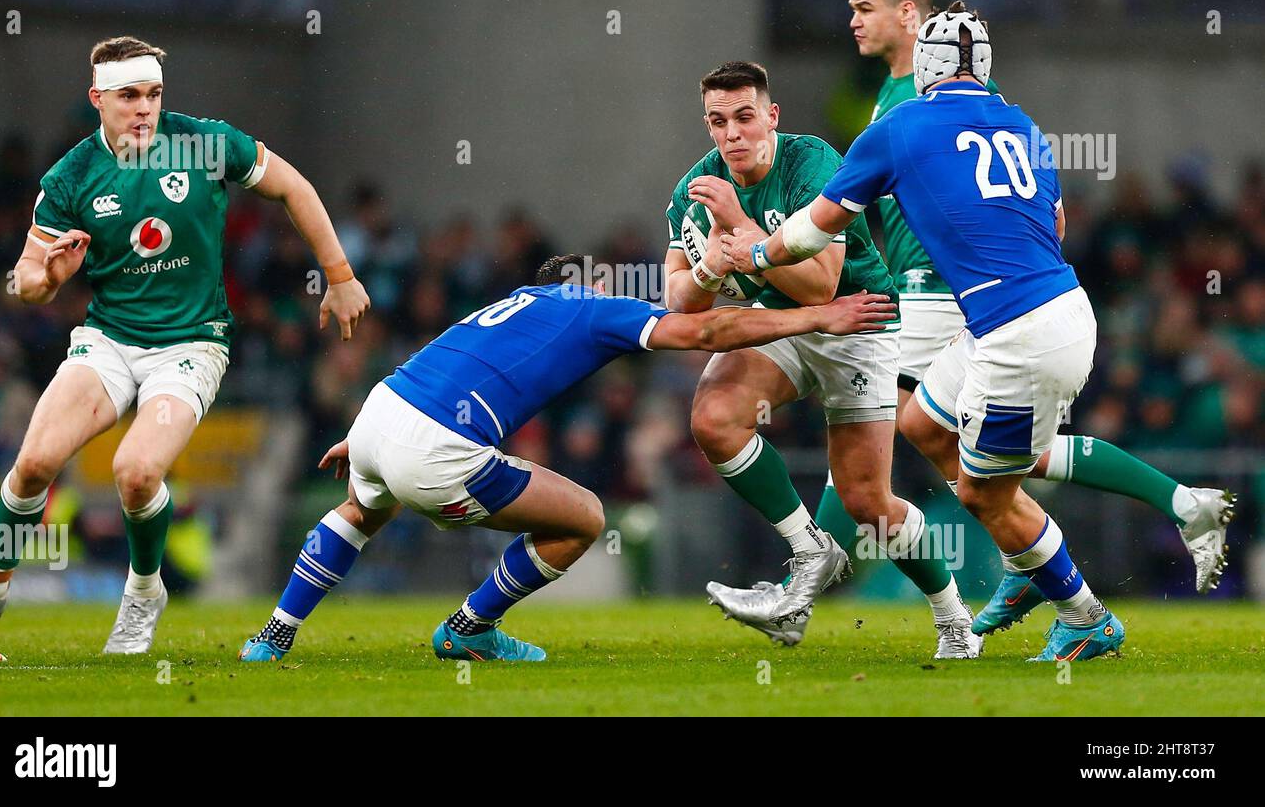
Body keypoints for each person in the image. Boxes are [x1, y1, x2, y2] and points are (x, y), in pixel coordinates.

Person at [709, 0, 1233, 646]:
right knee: (931, 434)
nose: (853, 21)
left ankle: (1079, 612)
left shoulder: (903, 120)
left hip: (969, 312)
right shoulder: (1017, 122)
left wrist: (750, 251)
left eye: (865, 8)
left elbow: (815, 226)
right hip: (1034, 312)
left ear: (915, 29)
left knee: (935, 464)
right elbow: (1055, 226)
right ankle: (1155, 511)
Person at [239, 254, 895, 663]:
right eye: (603, 278)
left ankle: (272, 636)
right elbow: (702, 330)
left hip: (384, 410)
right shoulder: (588, 308)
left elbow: (450, 361)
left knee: (358, 510)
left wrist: (366, 435)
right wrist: (817, 318)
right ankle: (470, 628)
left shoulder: (514, 304)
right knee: (583, 518)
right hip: (433, 446)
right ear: (582, 281)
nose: (614, 286)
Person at [0, 36, 370, 655]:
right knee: (36, 462)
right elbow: (25, 279)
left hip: (190, 344)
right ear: (97, 98)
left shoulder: (203, 143)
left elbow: (294, 186)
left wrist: (339, 276)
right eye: (129, 96)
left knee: (135, 471)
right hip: (107, 340)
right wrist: (47, 279)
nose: (144, 108)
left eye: (153, 94)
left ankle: (144, 591)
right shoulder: (71, 174)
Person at [667, 62, 982, 658]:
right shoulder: (696, 185)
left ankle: (954, 619)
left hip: (857, 321)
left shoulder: (812, 161)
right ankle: (811, 552)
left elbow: (820, 284)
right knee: (714, 417)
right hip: (782, 326)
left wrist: (739, 227)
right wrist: (709, 265)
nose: (733, 133)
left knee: (868, 502)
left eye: (744, 117)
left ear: (771, 117)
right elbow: (679, 303)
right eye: (718, 121)